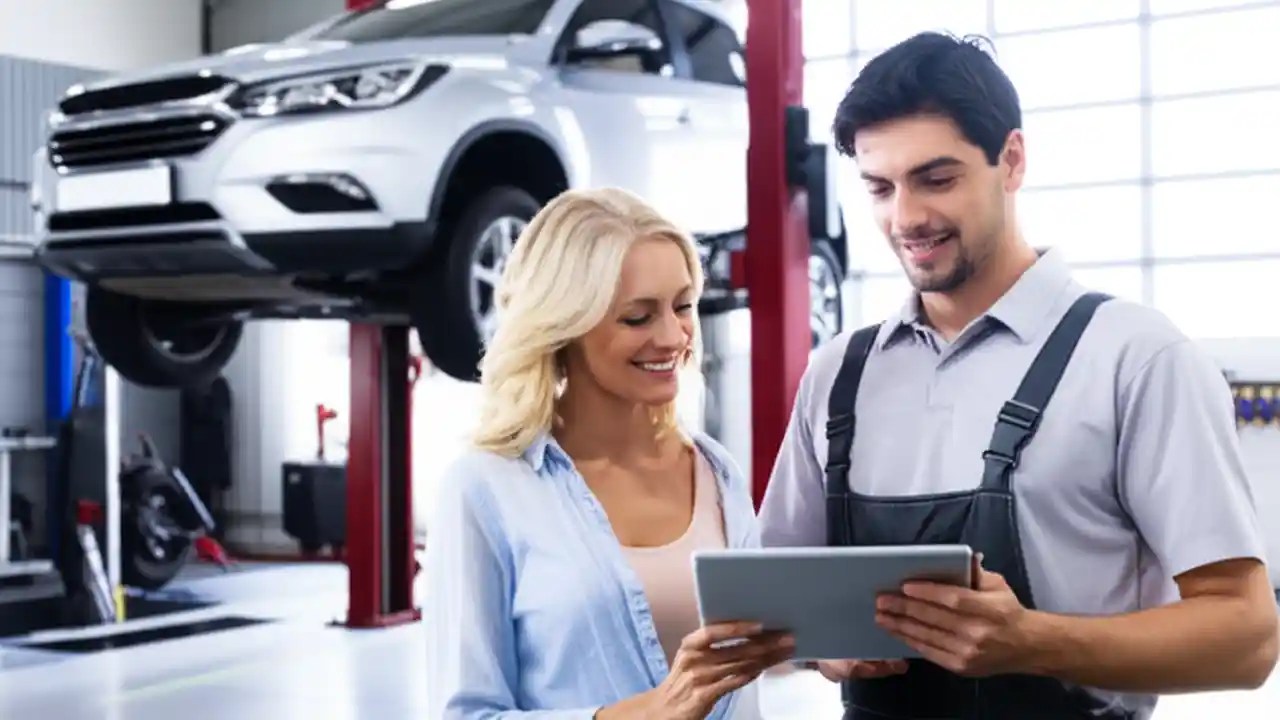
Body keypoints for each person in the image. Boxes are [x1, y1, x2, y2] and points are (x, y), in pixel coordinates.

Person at [758, 31, 1278, 720]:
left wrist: (1033, 641)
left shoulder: (1137, 358)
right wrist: (826, 646)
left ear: (1012, 159)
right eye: (881, 187)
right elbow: (773, 605)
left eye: (937, 179)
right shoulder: (837, 376)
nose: (907, 217)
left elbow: (1246, 638)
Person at [423, 187, 795, 719]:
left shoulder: (716, 472)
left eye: (683, 306)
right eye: (637, 318)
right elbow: (465, 714)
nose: (673, 336)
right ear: (564, 325)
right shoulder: (487, 488)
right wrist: (641, 715)